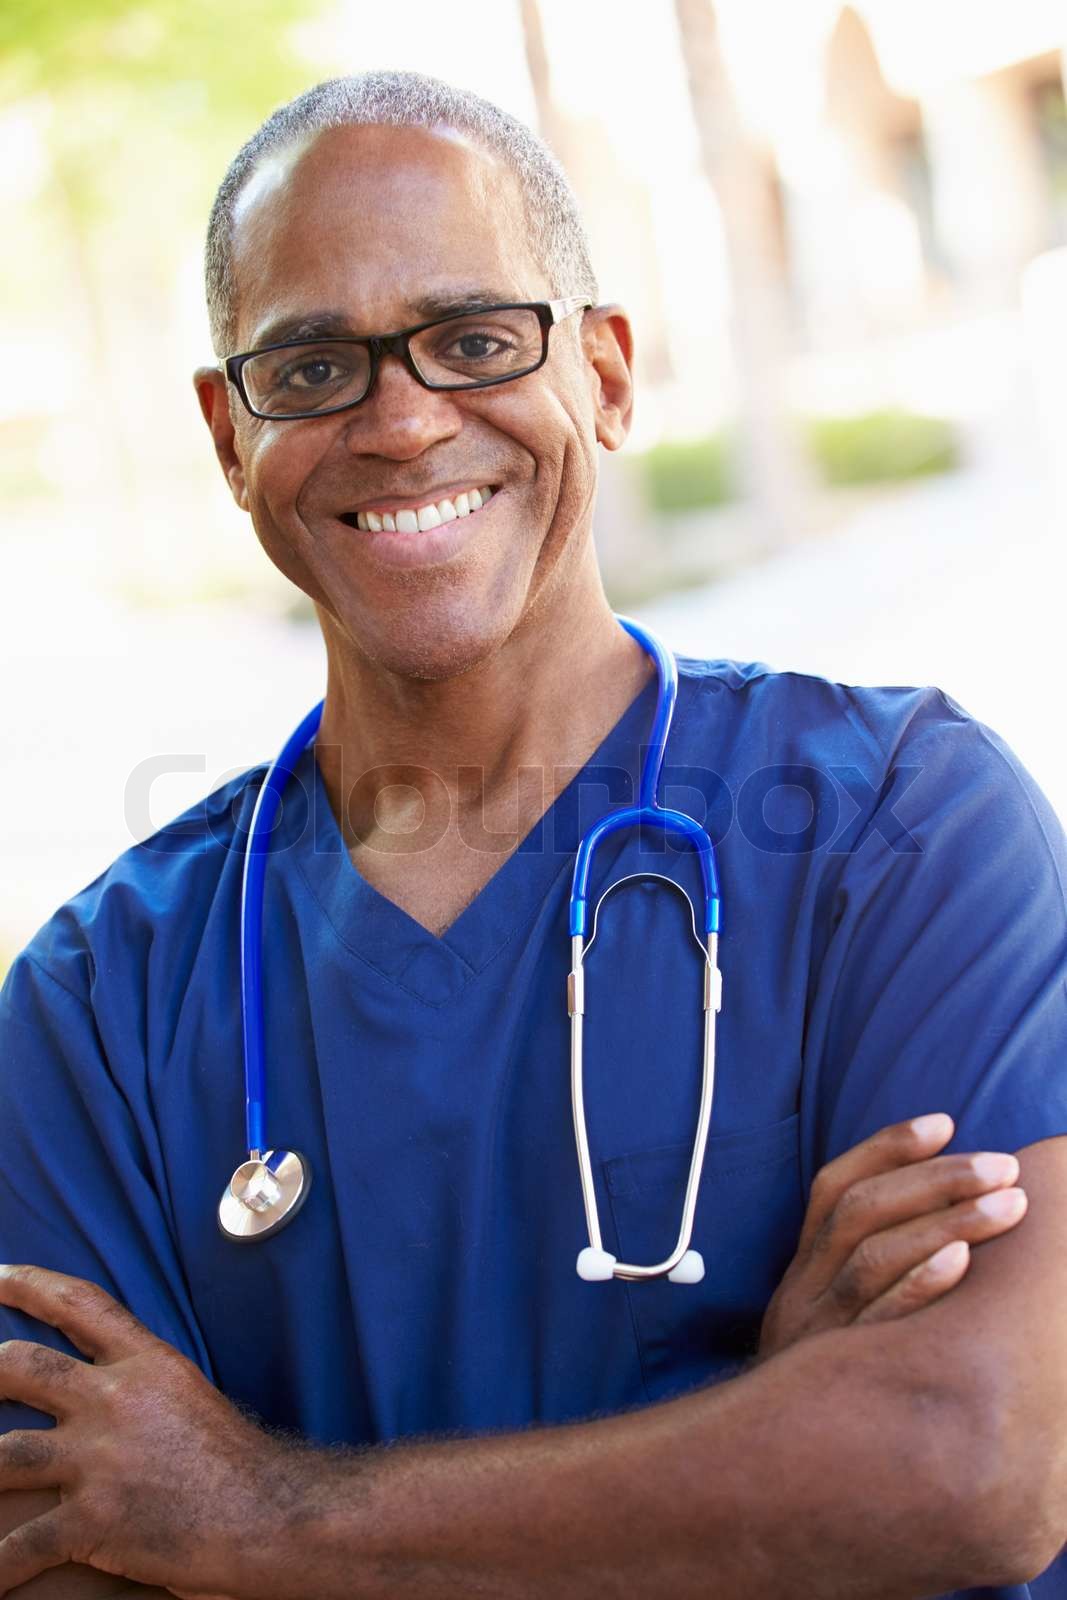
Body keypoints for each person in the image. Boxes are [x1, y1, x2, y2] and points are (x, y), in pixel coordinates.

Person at [0, 69, 1065, 1600]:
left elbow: (973, 1464)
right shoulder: (96, 1005)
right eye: (311, 368)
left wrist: (257, 1518)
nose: (403, 419)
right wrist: (765, 1455)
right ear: (231, 437)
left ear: (610, 375)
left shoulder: (903, 822)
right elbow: (62, 1558)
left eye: (476, 340)